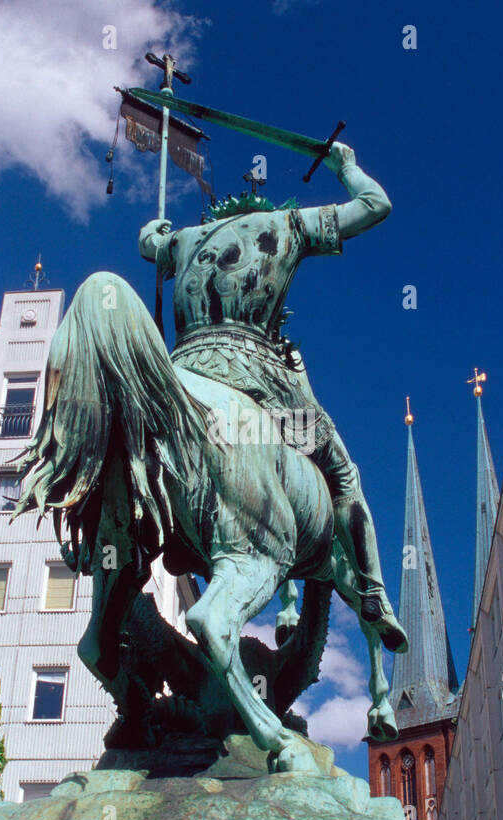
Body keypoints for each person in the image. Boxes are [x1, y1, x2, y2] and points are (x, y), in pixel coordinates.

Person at [138, 142, 408, 652]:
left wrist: (155, 233)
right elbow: (377, 205)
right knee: (344, 474)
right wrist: (346, 164)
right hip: (261, 381)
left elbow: (148, 244)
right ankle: (373, 590)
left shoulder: (186, 240)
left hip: (175, 374)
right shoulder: (290, 225)